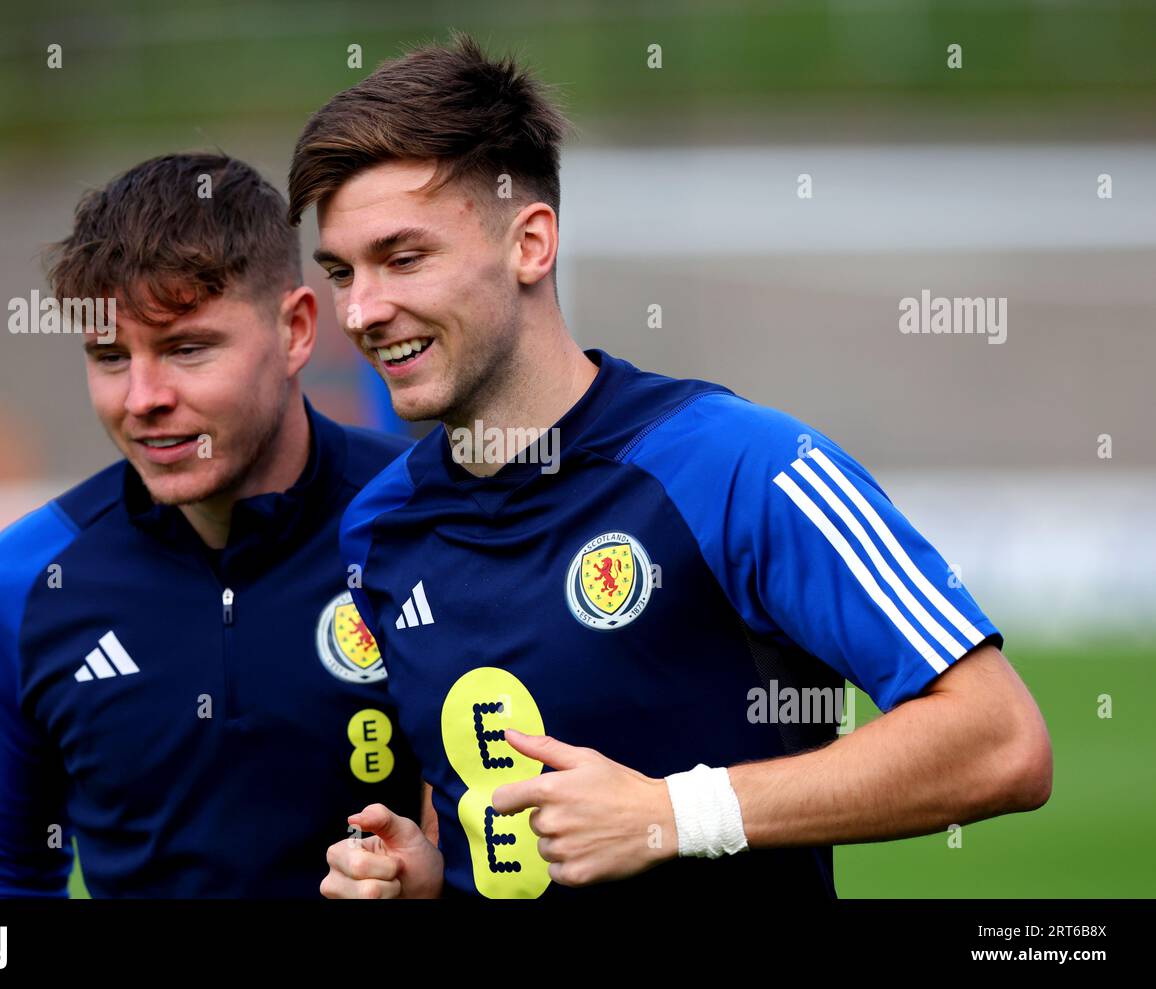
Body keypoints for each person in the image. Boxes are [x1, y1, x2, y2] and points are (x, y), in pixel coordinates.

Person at [291, 37, 1053, 900]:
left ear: (530, 243)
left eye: (403, 259)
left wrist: (673, 814)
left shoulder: (738, 465)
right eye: (342, 272)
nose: (361, 311)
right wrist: (426, 871)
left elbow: (1000, 741)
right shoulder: (380, 524)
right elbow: (475, 797)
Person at [0, 153, 422, 897]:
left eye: (187, 348)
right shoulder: (24, 584)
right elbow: (0, 875)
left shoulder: (429, 523)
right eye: (110, 356)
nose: (143, 397)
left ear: (296, 330)